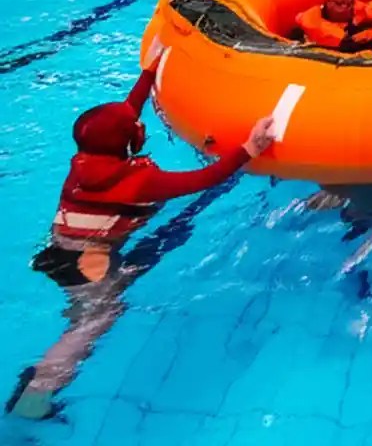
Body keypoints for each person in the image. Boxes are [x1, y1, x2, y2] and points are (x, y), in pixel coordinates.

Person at [6, 39, 276, 420]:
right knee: (96, 321)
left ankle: (48, 370)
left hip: (58, 248)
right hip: (91, 261)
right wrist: (251, 146)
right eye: (136, 128)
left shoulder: (85, 161)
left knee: (80, 313)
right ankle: (36, 395)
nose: (140, 124)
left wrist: (149, 72)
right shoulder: (139, 182)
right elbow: (207, 177)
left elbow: (123, 116)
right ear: (127, 141)